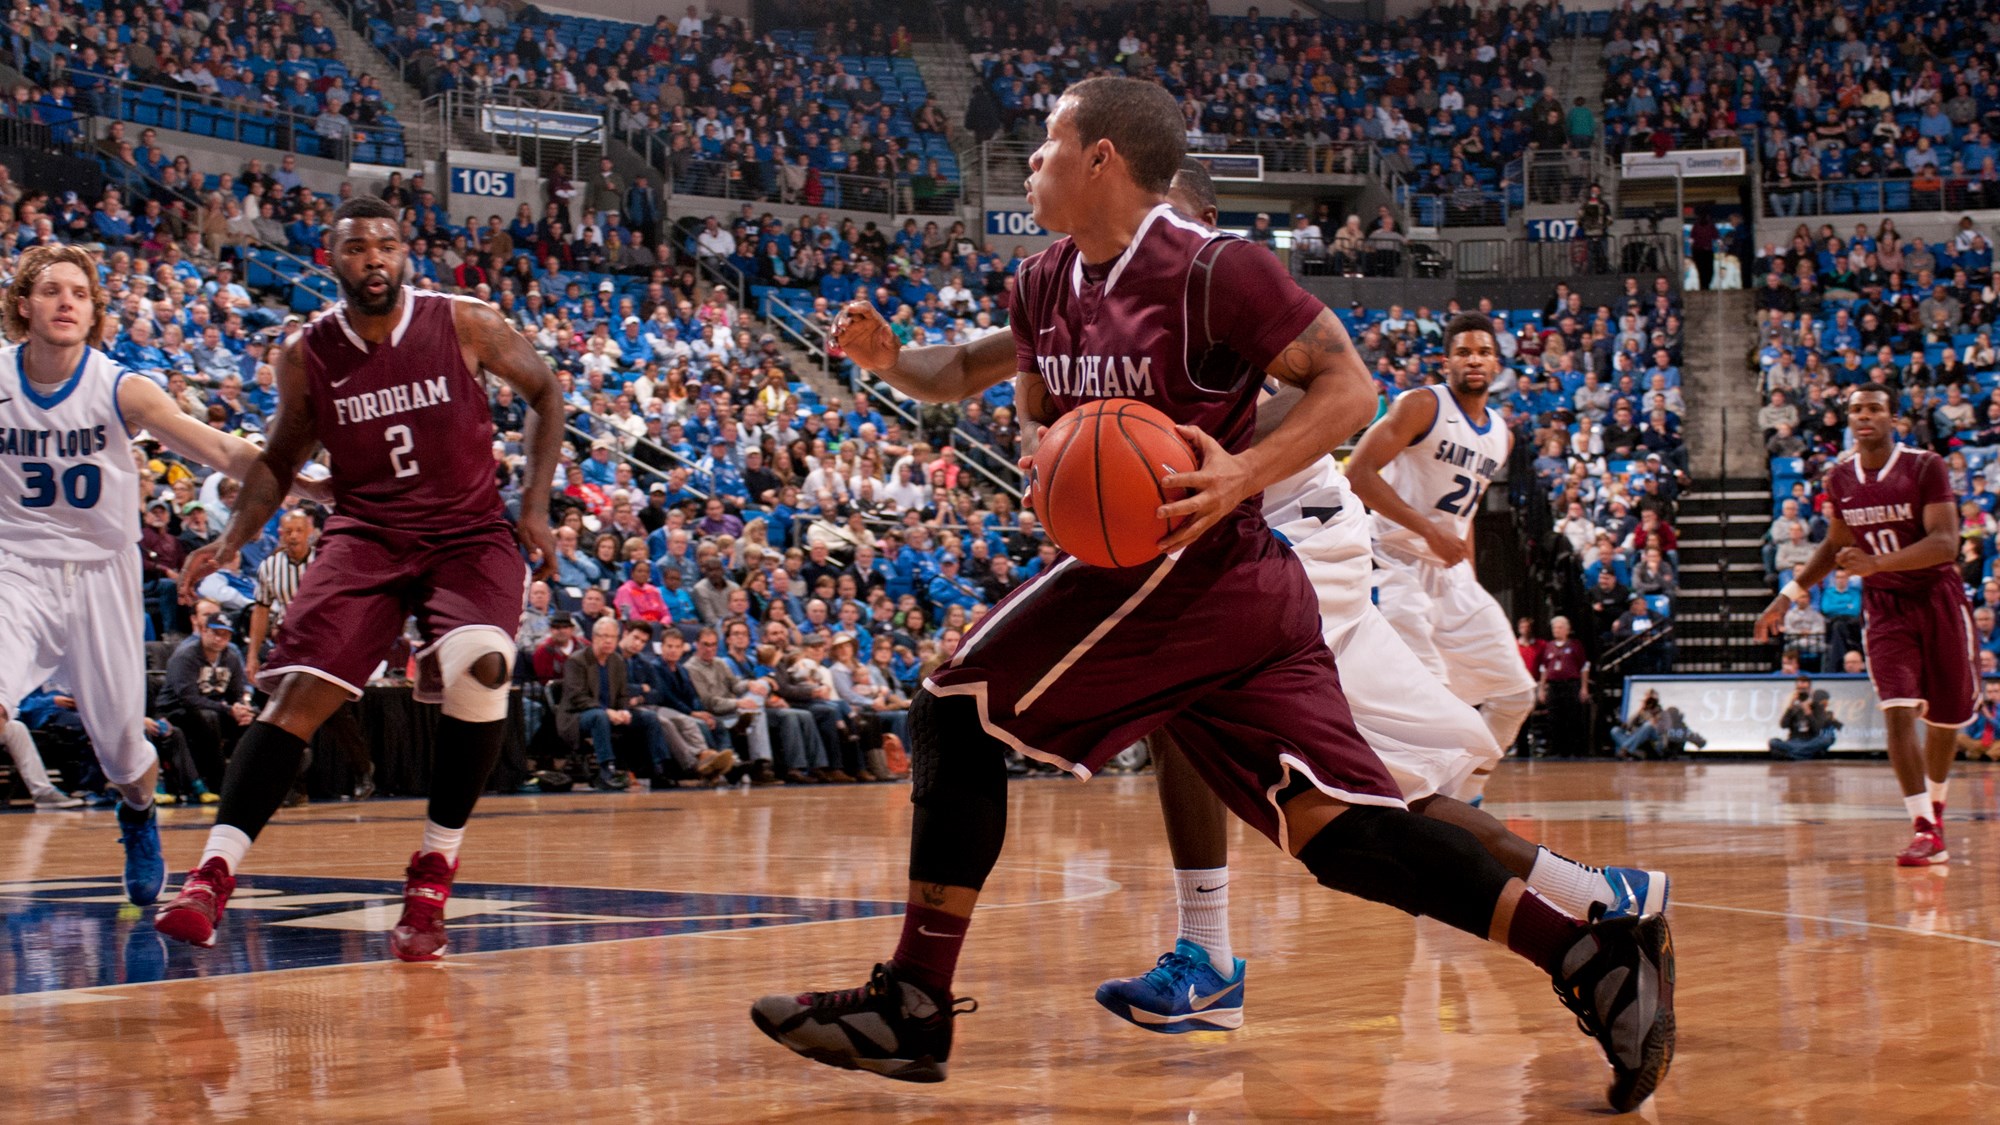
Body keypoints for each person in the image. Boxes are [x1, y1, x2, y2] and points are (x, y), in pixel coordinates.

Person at [759, 78, 1672, 1113]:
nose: (1029, 165)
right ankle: (1591, 950)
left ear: (1100, 157)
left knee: (951, 713)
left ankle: (913, 1002)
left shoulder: (1209, 268)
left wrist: (1241, 470)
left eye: (1047, 145)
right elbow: (999, 397)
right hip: (1229, 588)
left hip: (1197, 563)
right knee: (1343, 833)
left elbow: (1347, 387)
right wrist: (900, 370)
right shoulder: (1041, 284)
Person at [156, 196, 565, 959]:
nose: (373, 258)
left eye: (386, 244)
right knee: (297, 694)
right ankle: (212, 874)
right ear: (330, 258)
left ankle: (433, 871)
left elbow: (546, 391)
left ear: (405, 252)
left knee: (485, 665)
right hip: (368, 532)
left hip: (468, 532)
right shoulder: (306, 352)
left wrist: (534, 506)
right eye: (355, 248)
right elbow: (279, 459)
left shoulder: (465, 321)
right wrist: (234, 538)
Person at [0, 244, 324, 906]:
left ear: (93, 312)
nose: (68, 301)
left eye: (81, 293)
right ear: (23, 304)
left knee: (126, 755)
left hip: (101, 578)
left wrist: (312, 484)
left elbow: (223, 448)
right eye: (53, 290)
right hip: (17, 569)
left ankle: (140, 813)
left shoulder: (120, 387)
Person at [1757, 384, 1976, 866]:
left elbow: (1945, 544)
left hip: (1938, 598)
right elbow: (1835, 544)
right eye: (1856, 410)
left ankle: (1935, 813)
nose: (1864, 416)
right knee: (1896, 709)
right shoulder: (1839, 477)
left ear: (1893, 417)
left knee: (1944, 719)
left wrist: (1878, 563)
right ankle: (1923, 826)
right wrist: (1788, 596)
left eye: (1874, 408)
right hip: (1885, 607)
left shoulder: (1924, 466)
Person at [1345, 314, 1541, 803]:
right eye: (1464, 351)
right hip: (1391, 562)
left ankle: (1461, 801)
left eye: (1483, 352)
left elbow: (1466, 512)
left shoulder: (1502, 434)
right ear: (1447, 360)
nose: (1474, 359)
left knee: (1516, 694)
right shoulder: (1422, 405)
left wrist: (1466, 570)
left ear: (1497, 363)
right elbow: (1358, 474)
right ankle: (1412, 806)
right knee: (1432, 701)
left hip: (1450, 573)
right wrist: (1427, 529)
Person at [1769, 684, 1841, 761]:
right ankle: (1804, 754)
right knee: (1773, 741)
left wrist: (1808, 712)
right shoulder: (1793, 708)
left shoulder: (1817, 709)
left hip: (1810, 741)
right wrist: (1790, 706)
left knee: (1826, 739)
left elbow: (1817, 729)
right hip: (1794, 742)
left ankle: (1794, 755)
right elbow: (1783, 725)